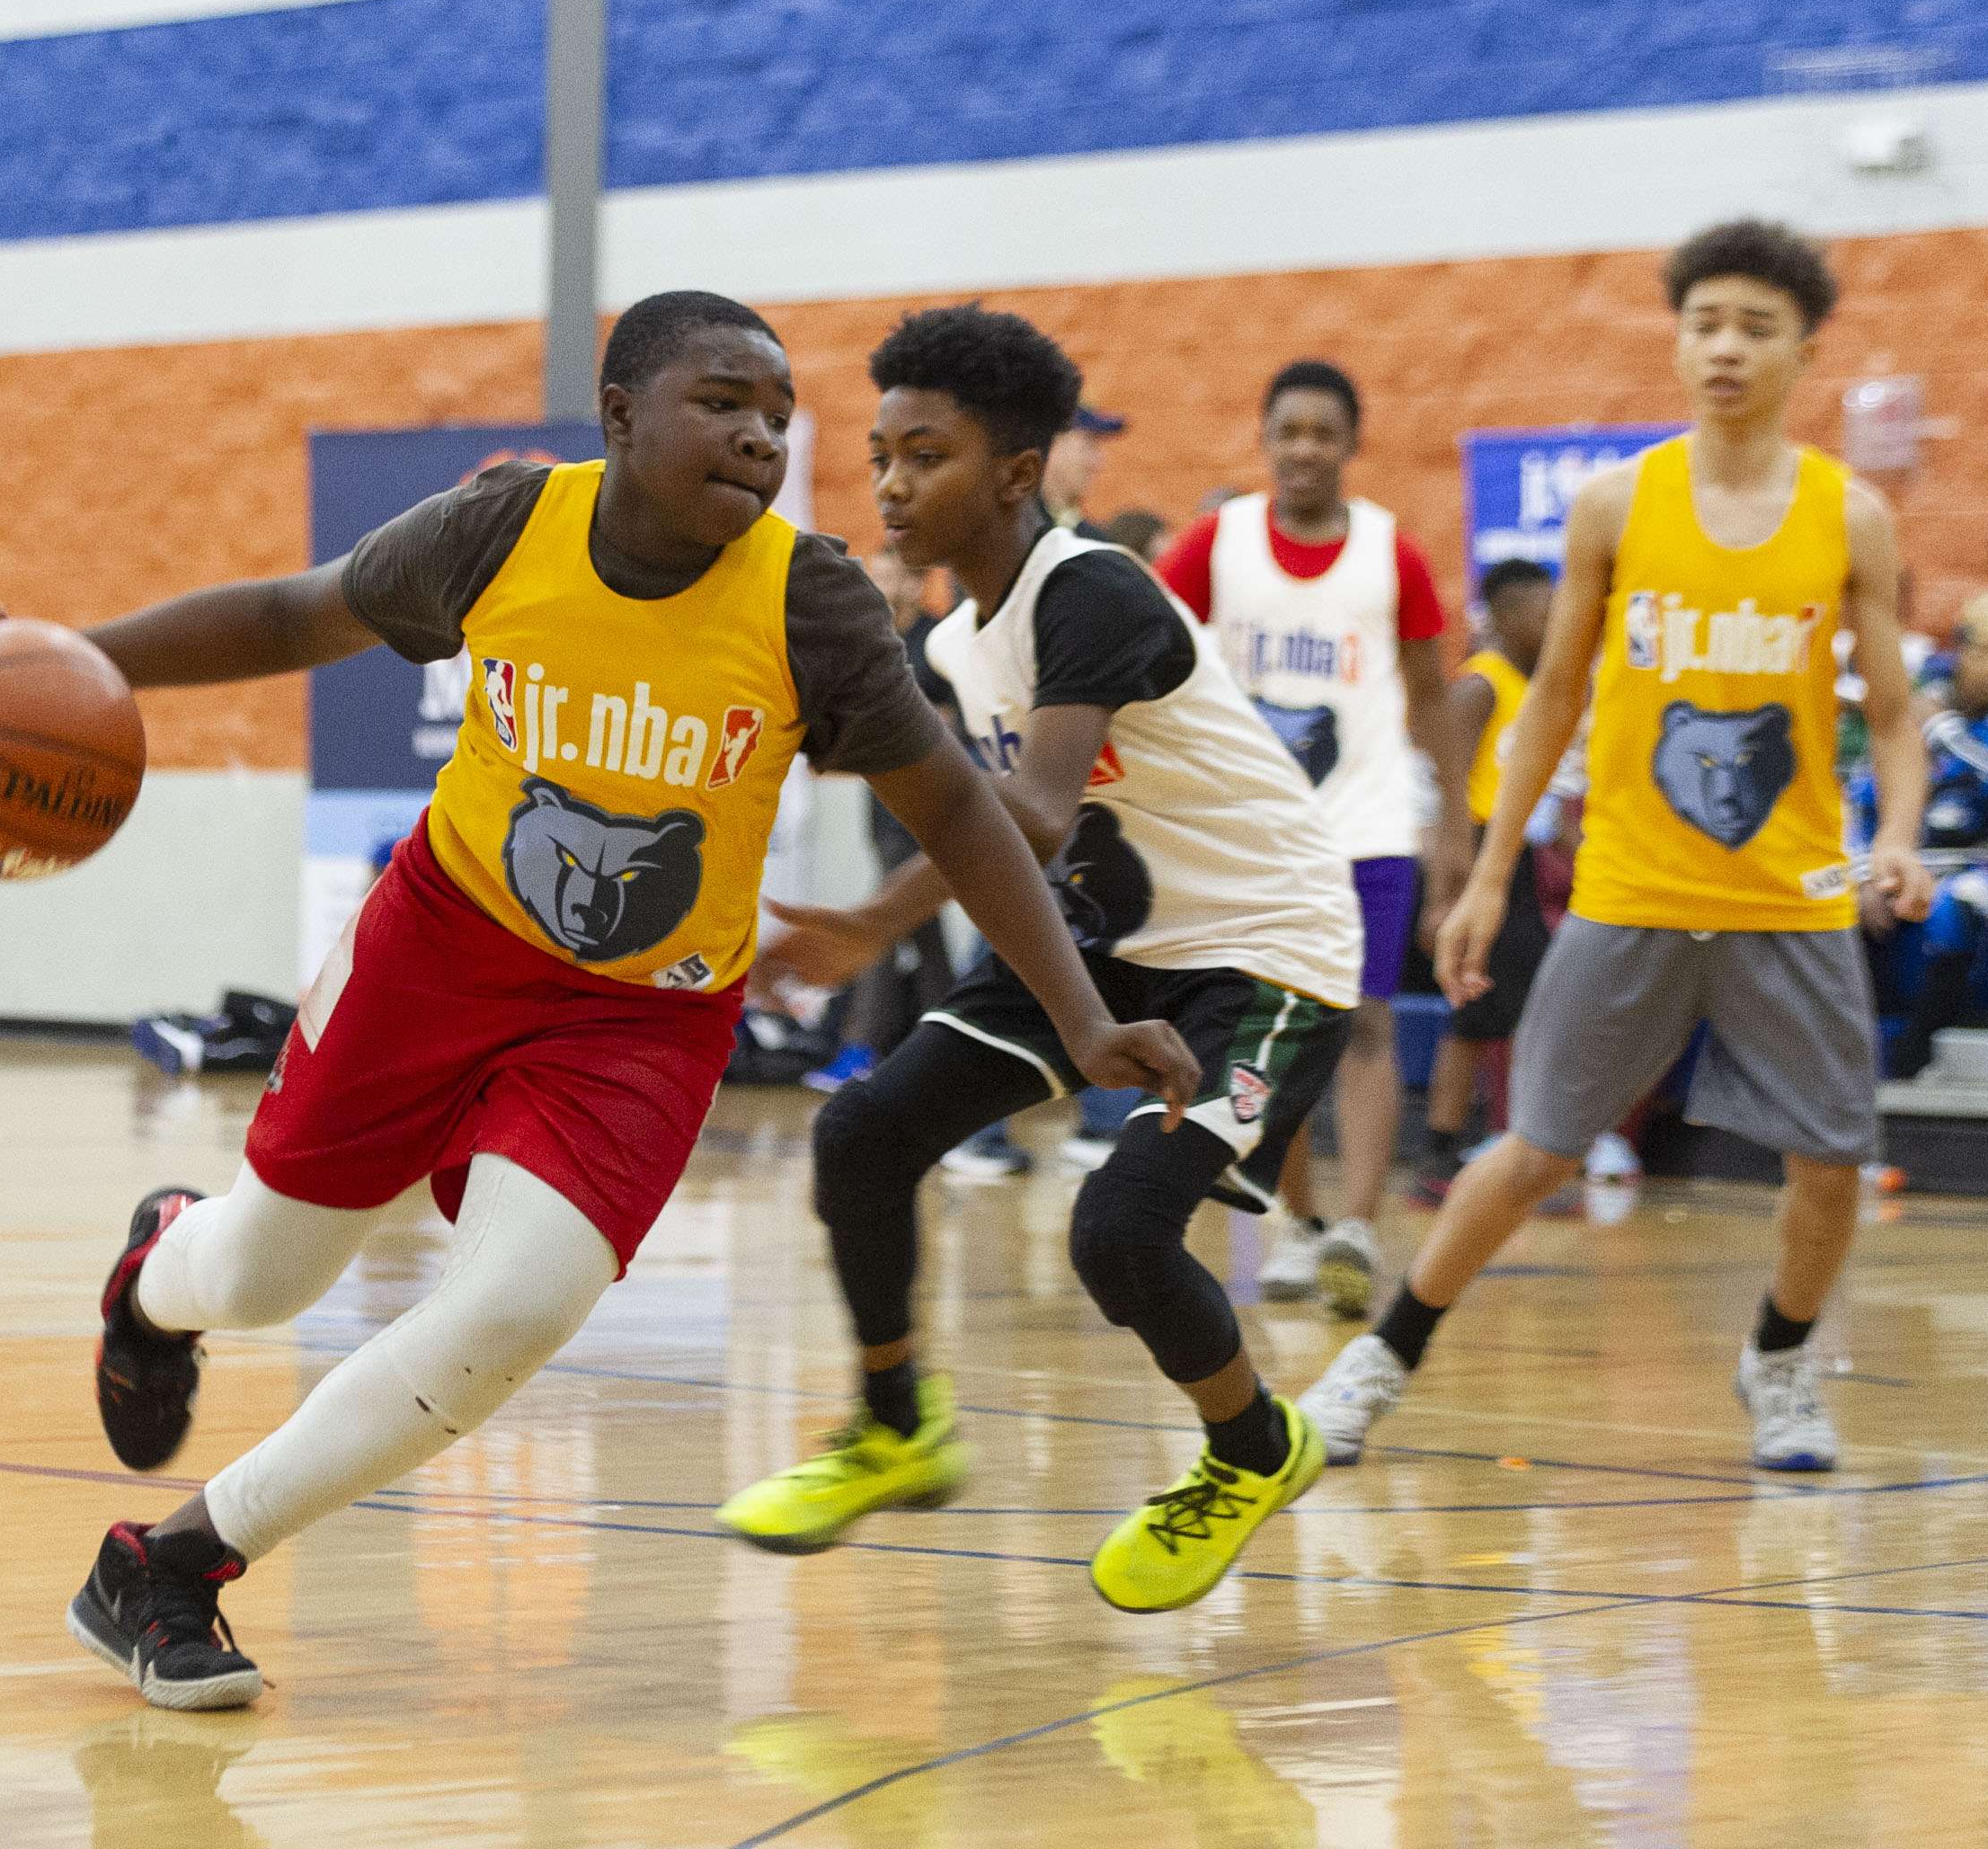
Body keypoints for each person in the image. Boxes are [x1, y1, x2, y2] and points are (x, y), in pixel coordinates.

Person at [69, 292, 1191, 1711]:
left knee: (517, 1309)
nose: (760, 434)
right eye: (723, 401)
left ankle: (174, 1563)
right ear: (619, 418)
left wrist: (1083, 1017)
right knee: (261, 1276)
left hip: (641, 1022)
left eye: (779, 416)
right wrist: (81, 657)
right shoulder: (505, 530)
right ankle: (159, 1266)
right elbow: (300, 611)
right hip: (441, 948)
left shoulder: (809, 598)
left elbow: (965, 817)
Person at [717, 305, 1356, 1610]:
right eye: (882, 454)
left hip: (1266, 963)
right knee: (862, 1135)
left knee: (1120, 1230)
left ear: (1015, 472)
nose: (890, 483)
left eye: (926, 456)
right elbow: (988, 824)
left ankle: (1253, 1447)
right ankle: (898, 1423)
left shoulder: (1093, 590)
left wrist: (875, 920)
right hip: (1108, 943)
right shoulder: (956, 642)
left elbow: (1035, 812)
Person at [1304, 219, 1936, 1475]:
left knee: (1829, 1167)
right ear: (1679, 338)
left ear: (1804, 349)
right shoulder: (1616, 505)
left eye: (1755, 326)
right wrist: (1486, 873)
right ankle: (1376, 1361)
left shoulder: (1850, 517)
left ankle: (1781, 1363)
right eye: (1704, 322)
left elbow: (1898, 714)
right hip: (1630, 890)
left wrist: (1903, 837)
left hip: (1793, 899)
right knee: (1530, 1152)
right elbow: (1550, 703)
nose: (1725, 348)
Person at [1151, 359, 1472, 1317]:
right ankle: (1294, 1225)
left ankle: (1356, 1228)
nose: (1301, 449)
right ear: (1262, 439)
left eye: (1321, 433)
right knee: (1272, 1034)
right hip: (1255, 832)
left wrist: (1450, 827)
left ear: (1349, 444)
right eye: (1285, 431)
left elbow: (1430, 697)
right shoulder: (1217, 543)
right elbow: (1146, 644)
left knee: (1367, 1022)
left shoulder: (1390, 554)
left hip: (1367, 825)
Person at [1875, 587, 1988, 1080]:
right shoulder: (1922, 704)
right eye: (1983, 651)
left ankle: (1921, 1051)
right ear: (1960, 650)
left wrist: (1939, 727)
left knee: (1960, 899)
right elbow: (1868, 790)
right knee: (1845, 895)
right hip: (1925, 857)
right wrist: (1864, 865)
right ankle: (1860, 1045)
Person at [1415, 557, 1558, 1202]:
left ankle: (1477, 1147)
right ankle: (1450, 1151)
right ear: (1504, 618)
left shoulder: (1535, 685)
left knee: (1499, 1013)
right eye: (1542, 611)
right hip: (1476, 858)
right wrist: (1446, 893)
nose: (1554, 621)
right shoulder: (1480, 685)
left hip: (1515, 860)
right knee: (1483, 1012)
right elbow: (1445, 786)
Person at [806, 547, 955, 1097]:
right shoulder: (872, 641)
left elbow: (947, 726)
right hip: (883, 807)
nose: (886, 581)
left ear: (918, 583)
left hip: (926, 812)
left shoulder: (937, 643)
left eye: (898, 572)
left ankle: (862, 1047)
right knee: (918, 934)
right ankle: (945, 1049)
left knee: (885, 926)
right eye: (882, 570)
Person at [1043, 403, 1123, 536]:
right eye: (1089, 445)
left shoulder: (1093, 541)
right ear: (1051, 445)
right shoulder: (1010, 532)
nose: (1098, 462)